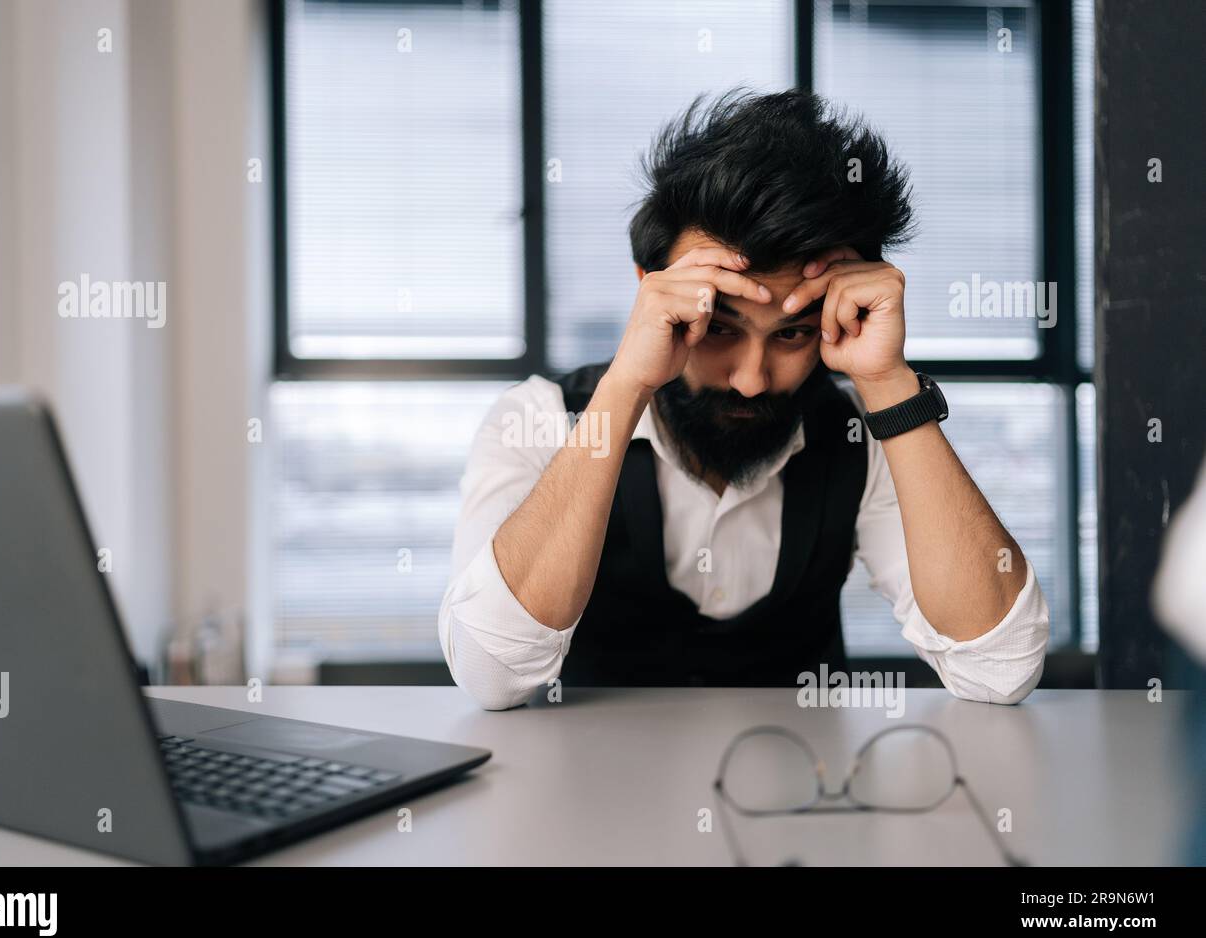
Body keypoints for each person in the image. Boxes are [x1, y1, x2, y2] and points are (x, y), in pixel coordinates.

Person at [438, 89, 1048, 710]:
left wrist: (889, 383)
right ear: (651, 295)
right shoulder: (538, 419)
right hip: (584, 795)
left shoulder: (864, 433)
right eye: (721, 329)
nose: (752, 380)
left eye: (792, 334)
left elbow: (998, 670)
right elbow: (491, 675)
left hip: (805, 795)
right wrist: (625, 387)